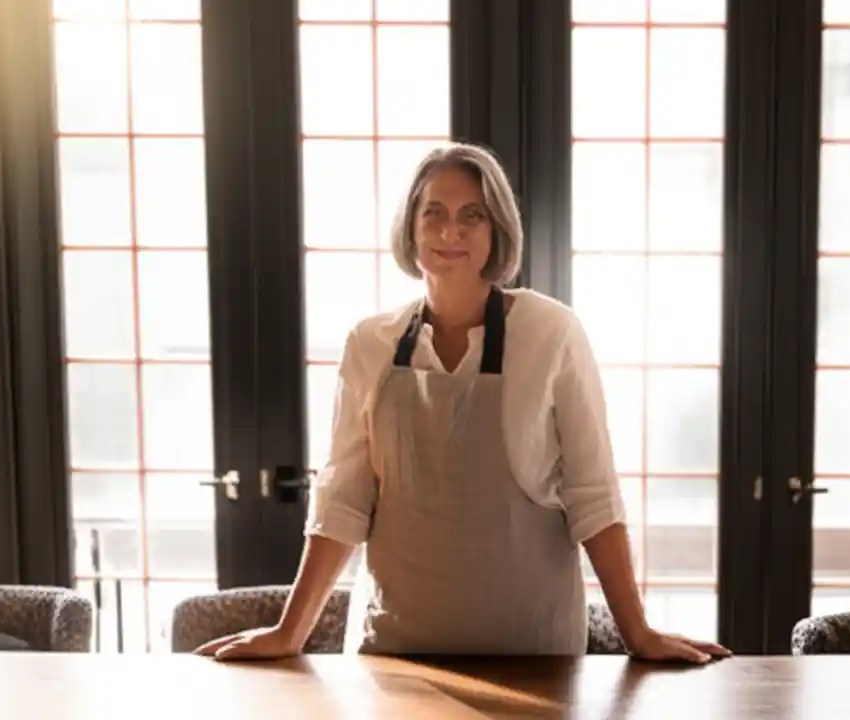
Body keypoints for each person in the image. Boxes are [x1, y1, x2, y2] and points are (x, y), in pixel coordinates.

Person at [197, 143, 730, 663]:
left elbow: (593, 495)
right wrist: (291, 633)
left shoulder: (552, 333)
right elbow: (343, 500)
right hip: (397, 653)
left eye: (471, 215)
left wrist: (637, 633)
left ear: (496, 229)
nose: (450, 231)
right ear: (410, 226)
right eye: (434, 213)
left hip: (533, 651)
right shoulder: (370, 344)